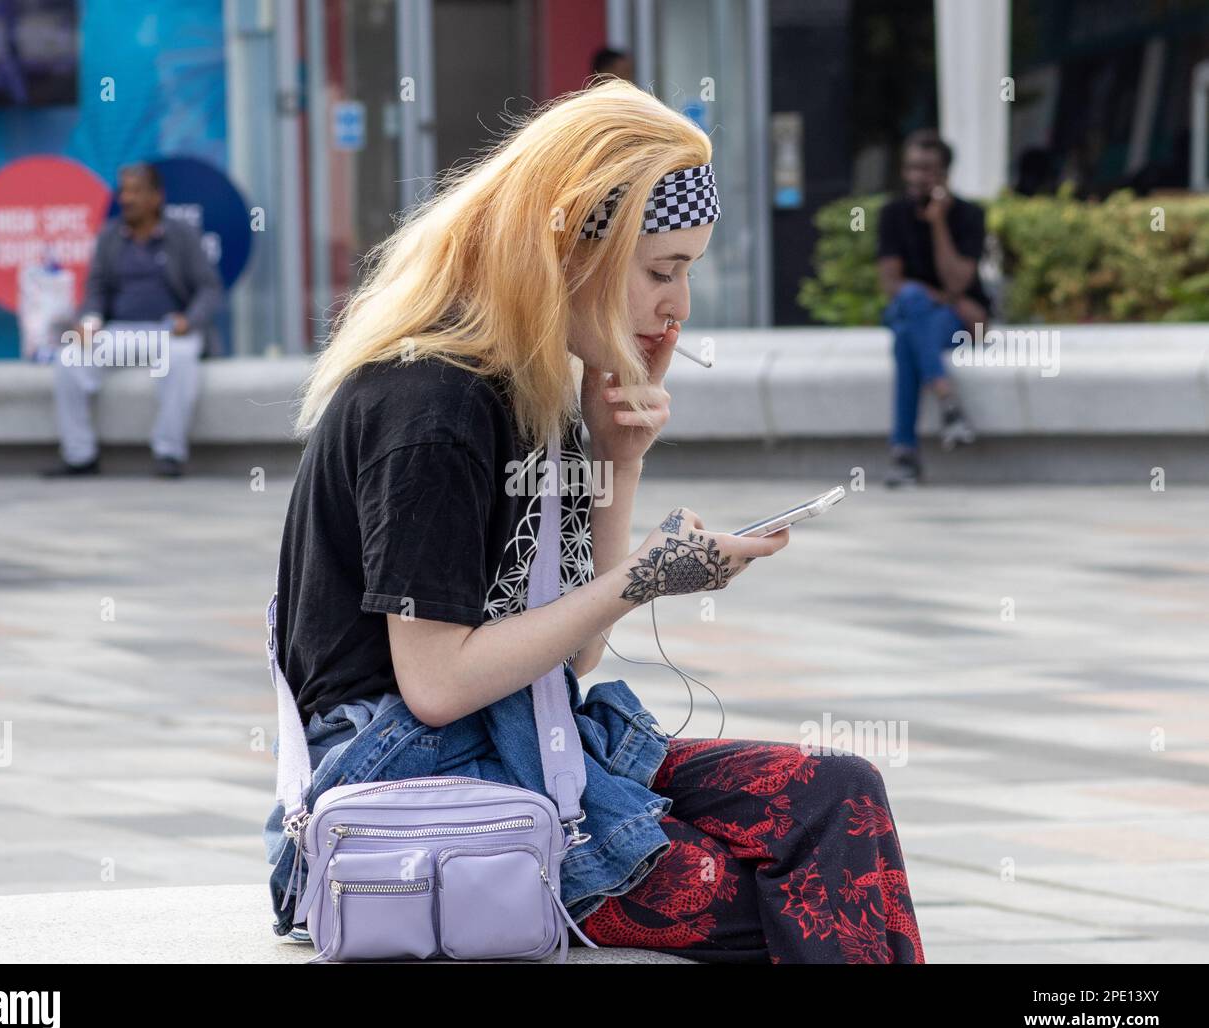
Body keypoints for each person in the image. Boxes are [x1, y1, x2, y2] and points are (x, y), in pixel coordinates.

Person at [263, 78, 926, 964]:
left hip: (528, 739)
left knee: (839, 790)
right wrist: (643, 578)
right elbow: (437, 685)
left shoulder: (529, 388)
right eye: (662, 271)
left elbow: (569, 652)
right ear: (570, 249)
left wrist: (618, 459)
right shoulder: (431, 407)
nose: (678, 308)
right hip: (412, 782)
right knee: (792, 894)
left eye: (688, 270)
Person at [42, 162, 225, 479]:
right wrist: (90, 321)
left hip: (170, 333)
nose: (127, 198)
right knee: (69, 358)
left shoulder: (181, 235)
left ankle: (169, 453)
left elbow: (209, 288)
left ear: (156, 197)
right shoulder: (110, 236)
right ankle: (80, 455)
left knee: (182, 360)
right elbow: (96, 289)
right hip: (120, 333)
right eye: (124, 190)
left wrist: (189, 321)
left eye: (136, 191)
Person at [877, 129, 986, 488]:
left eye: (926, 169)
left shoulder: (969, 215)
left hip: (949, 321)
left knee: (906, 339)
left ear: (944, 174)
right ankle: (947, 401)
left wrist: (938, 222)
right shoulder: (892, 214)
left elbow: (957, 280)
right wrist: (943, 298)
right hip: (934, 309)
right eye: (911, 168)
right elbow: (891, 284)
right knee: (909, 301)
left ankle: (905, 456)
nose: (916, 177)